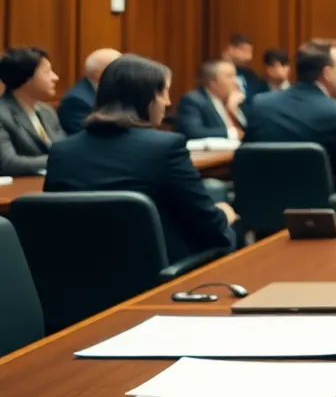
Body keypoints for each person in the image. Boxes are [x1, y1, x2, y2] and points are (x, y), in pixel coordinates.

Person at [44, 55, 236, 262]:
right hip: (159, 275)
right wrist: (225, 215)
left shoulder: (61, 151)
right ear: (146, 97)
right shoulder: (165, 147)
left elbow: (55, 227)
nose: (168, 102)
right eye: (163, 93)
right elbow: (207, 223)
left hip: (78, 273)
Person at [243, 39, 336, 190]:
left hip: (259, 205)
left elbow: (247, 159)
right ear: (326, 73)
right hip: (315, 209)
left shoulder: (260, 104)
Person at [0, 47, 64, 176]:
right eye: (47, 72)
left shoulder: (47, 112)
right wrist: (60, 159)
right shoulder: (2, 114)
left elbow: (64, 148)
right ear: (26, 78)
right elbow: (8, 163)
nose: (55, 77)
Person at [56, 48, 121, 135]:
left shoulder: (113, 90)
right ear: (99, 73)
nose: (124, 73)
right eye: (119, 68)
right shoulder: (76, 101)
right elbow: (88, 137)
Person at [177, 59, 246, 141]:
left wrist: (233, 109)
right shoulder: (193, 100)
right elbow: (193, 132)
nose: (236, 81)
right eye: (230, 76)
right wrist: (233, 133)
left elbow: (250, 131)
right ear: (213, 83)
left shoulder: (237, 100)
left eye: (235, 76)